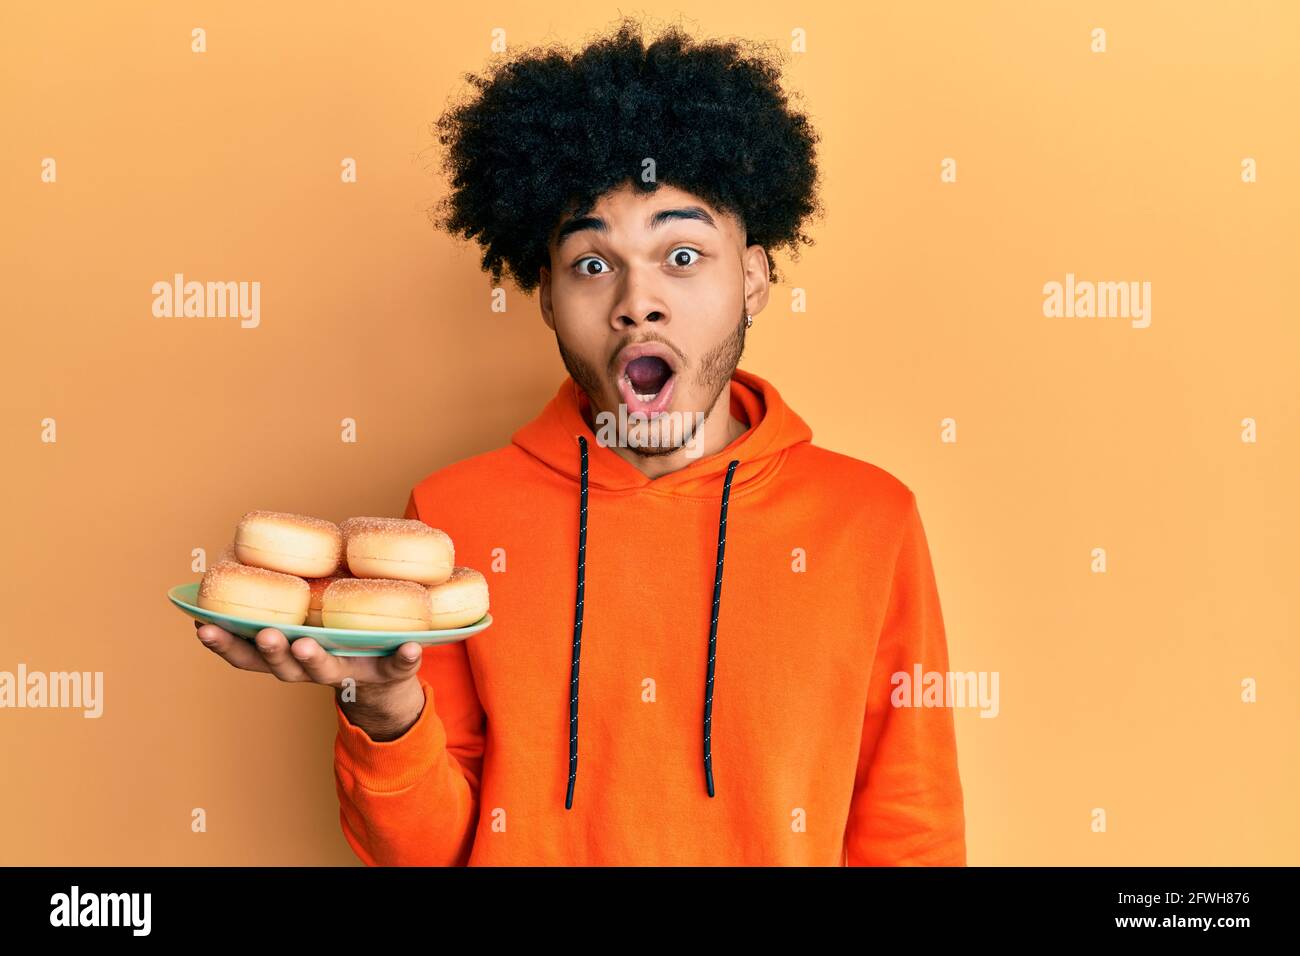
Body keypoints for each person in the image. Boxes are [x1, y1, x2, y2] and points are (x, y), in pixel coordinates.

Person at [195, 16, 966, 866]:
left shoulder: (869, 519)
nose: (638, 302)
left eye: (682, 255)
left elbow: (911, 830)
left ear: (752, 279)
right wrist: (385, 711)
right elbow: (428, 854)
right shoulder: (452, 516)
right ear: (545, 298)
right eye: (593, 265)